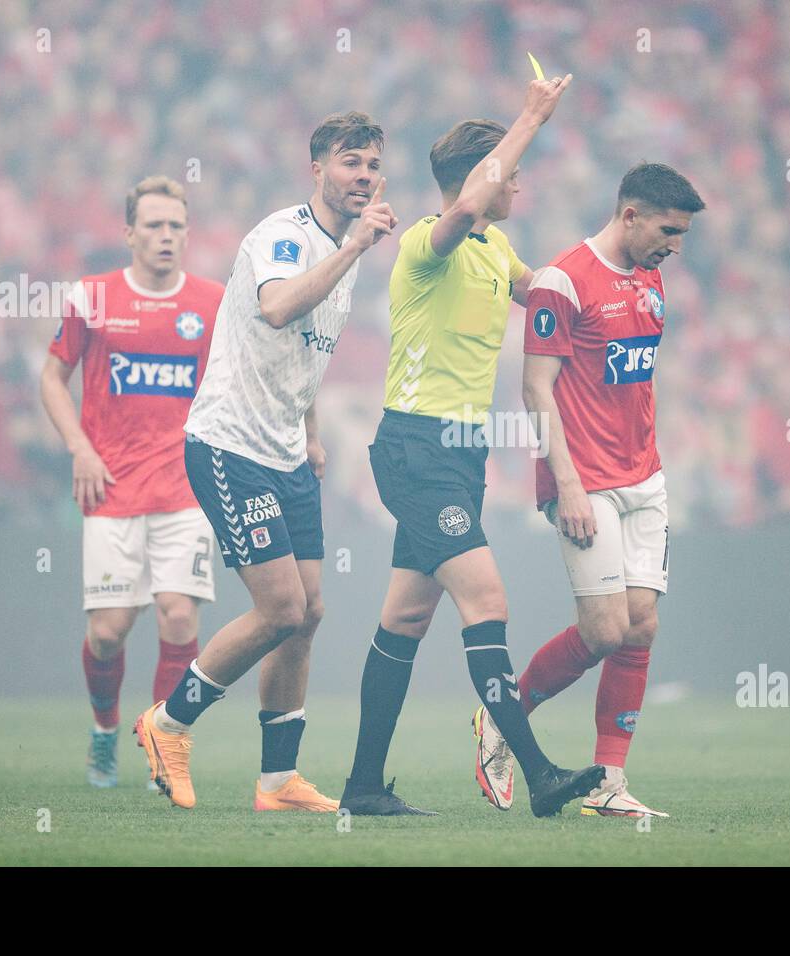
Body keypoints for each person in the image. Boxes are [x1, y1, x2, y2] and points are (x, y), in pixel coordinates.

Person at [339, 74, 606, 818]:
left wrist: (613, 265)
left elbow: (543, 292)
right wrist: (530, 116)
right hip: (415, 449)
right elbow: (465, 208)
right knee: (487, 600)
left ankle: (362, 787)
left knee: (405, 620)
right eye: (511, 174)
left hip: (460, 455)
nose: (519, 186)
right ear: (481, 179)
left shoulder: (495, 249)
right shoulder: (429, 242)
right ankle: (540, 774)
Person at [133, 113, 397, 811]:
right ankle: (167, 724)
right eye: (349, 162)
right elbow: (278, 308)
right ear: (317, 169)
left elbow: (301, 354)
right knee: (278, 607)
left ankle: (277, 781)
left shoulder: (345, 248)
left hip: (284, 451)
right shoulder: (285, 236)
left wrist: (310, 430)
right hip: (229, 444)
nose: (363, 176)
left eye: (372, 165)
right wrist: (355, 249)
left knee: (308, 612)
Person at [474, 163, 705, 816]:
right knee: (604, 630)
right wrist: (567, 486)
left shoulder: (653, 277)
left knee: (641, 627)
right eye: (668, 230)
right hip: (583, 479)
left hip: (644, 477)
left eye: (682, 234)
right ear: (629, 214)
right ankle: (504, 714)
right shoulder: (562, 280)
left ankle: (609, 783)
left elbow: (632, 379)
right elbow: (535, 387)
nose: (675, 245)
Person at [40, 176, 223, 789]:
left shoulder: (212, 301)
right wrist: (79, 449)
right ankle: (104, 729)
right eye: (153, 225)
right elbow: (51, 378)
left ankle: (162, 747)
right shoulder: (92, 297)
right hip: (111, 488)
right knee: (109, 632)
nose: (166, 235)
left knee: (177, 618)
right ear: (129, 233)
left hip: (185, 487)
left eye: (176, 225)